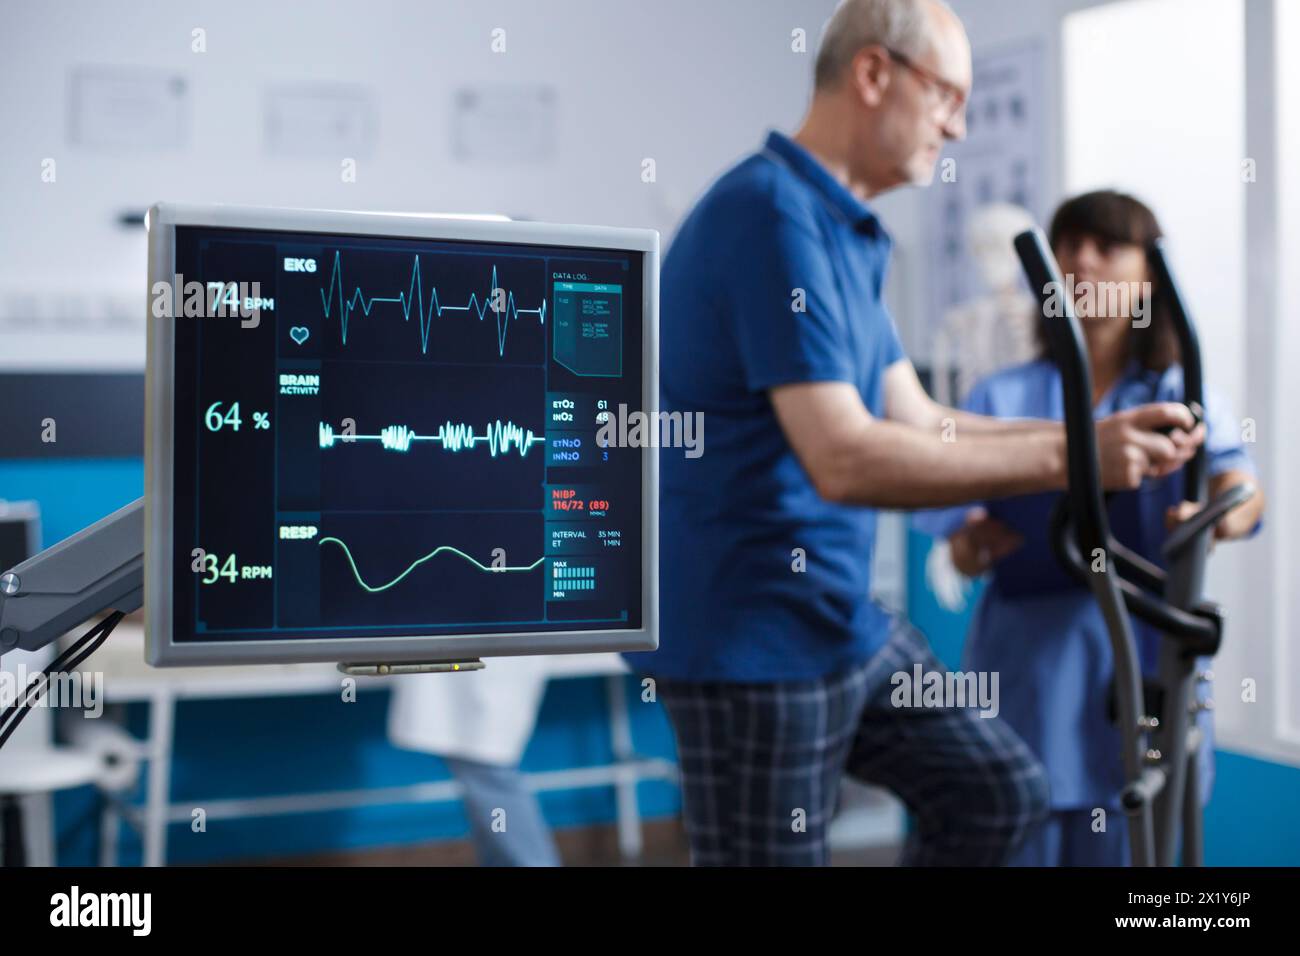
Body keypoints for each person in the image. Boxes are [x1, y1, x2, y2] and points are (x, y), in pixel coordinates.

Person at [624, 0, 1204, 867]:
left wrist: (1091, 433)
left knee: (998, 792)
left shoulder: (844, 231)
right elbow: (844, 457)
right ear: (873, 75)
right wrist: (1082, 455)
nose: (961, 127)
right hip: (752, 642)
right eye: (947, 98)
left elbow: (923, 419)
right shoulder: (769, 217)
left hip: (839, 620)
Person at [914, 190, 1266, 865]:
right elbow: (959, 545)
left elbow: (1242, 488)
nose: (1081, 259)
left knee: (1138, 836)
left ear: (1149, 277)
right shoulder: (1001, 395)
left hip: (1141, 656)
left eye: (1106, 246)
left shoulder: (1178, 391)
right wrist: (974, 544)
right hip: (1029, 666)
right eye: (1068, 244)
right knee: (1019, 827)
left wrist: (1214, 516)